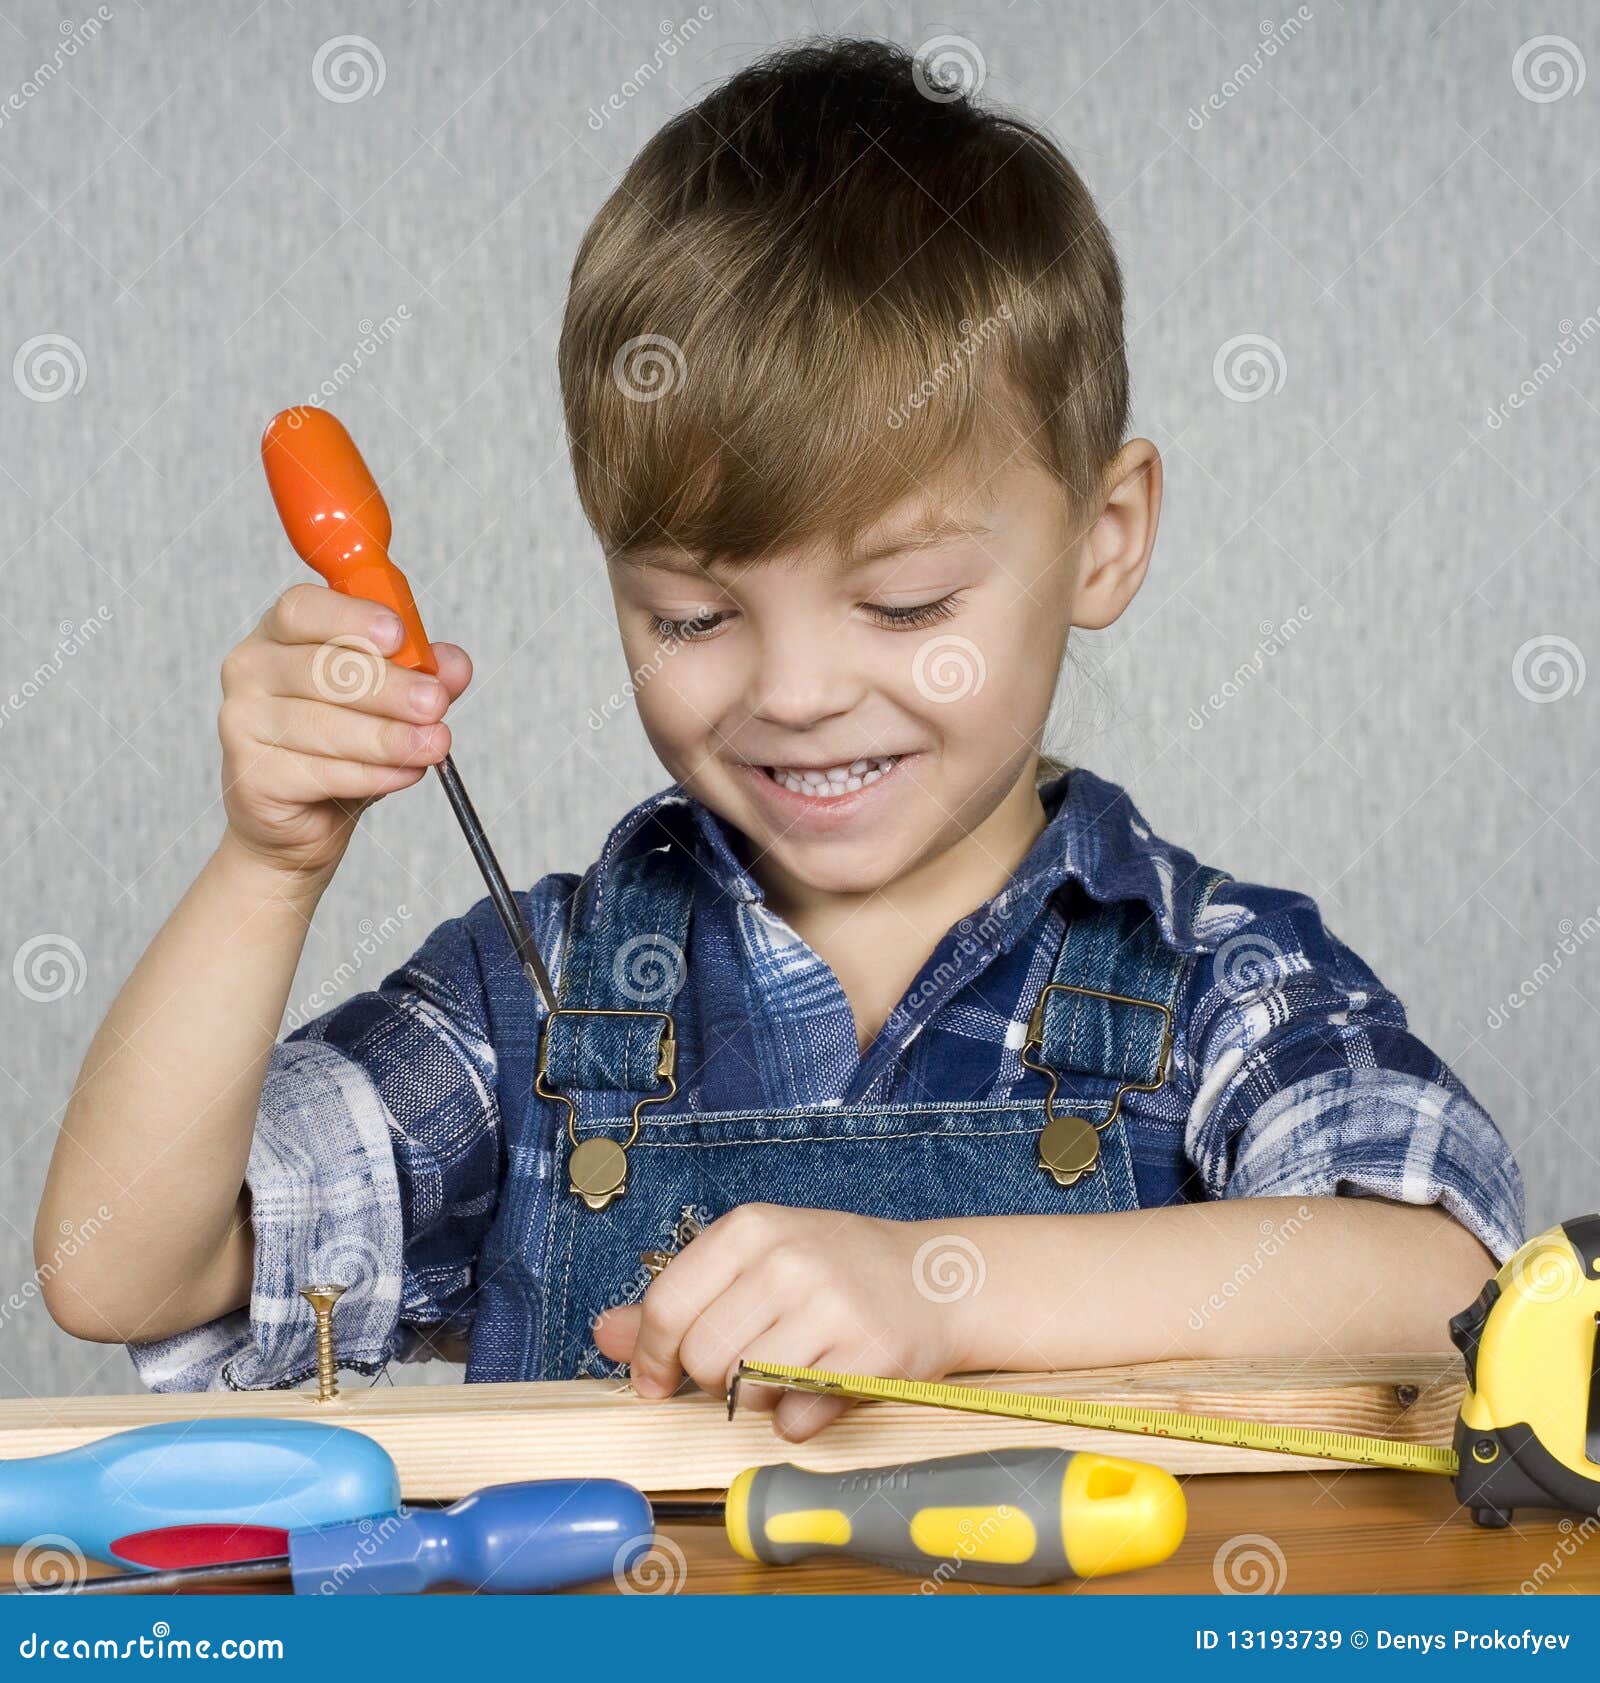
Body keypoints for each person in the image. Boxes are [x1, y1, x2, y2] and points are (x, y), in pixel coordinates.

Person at [38, 36, 1521, 1441]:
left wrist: (939, 1288)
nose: (796, 688)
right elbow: (127, 1271)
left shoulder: (1208, 980)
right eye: (692, 615)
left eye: (902, 601)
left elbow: (1448, 1285)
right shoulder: (538, 1002)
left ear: (1105, 538)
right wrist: (268, 862)